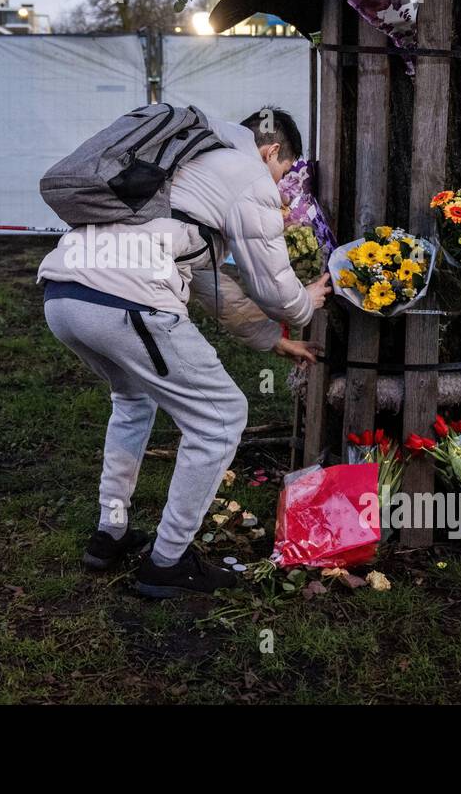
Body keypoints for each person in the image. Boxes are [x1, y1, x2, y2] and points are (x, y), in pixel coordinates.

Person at [38, 105, 332, 597]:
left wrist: (271, 339)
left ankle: (109, 535)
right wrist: (307, 302)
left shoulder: (184, 164)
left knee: (132, 402)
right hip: (125, 301)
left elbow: (202, 281)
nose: (281, 187)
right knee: (221, 418)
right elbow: (275, 288)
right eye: (283, 174)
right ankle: (167, 562)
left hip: (64, 293)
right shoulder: (246, 175)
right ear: (272, 151)